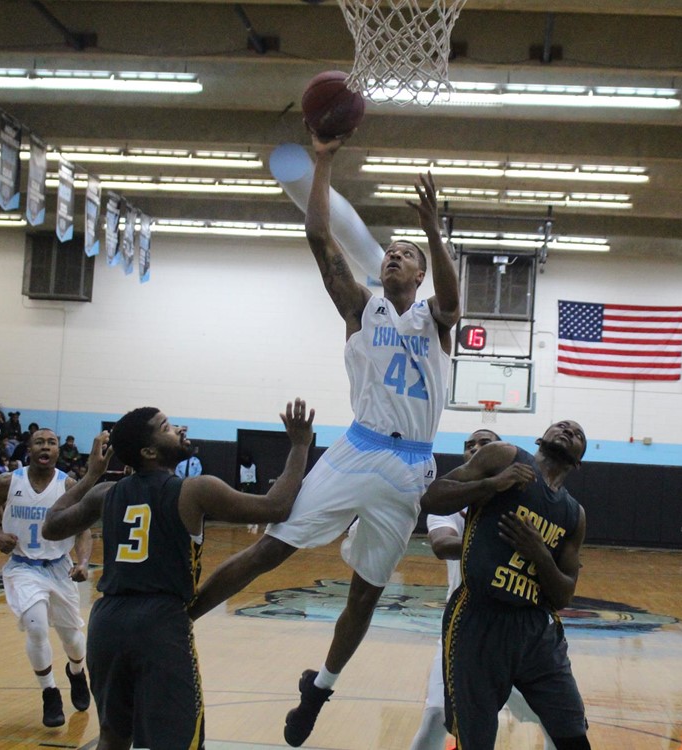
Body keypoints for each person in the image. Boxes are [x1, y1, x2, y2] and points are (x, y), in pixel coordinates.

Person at [189, 132, 460, 747]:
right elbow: (319, 240)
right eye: (390, 251)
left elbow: (451, 298)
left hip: (411, 466)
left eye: (406, 253)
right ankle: (181, 619)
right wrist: (324, 161)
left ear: (418, 272)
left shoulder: (434, 323)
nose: (395, 256)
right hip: (358, 449)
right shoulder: (361, 309)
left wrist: (434, 232)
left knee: (364, 596)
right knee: (271, 550)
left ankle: (321, 689)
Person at [41, 400, 315, 750]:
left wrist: (92, 474)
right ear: (149, 451)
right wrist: (300, 445)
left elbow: (52, 525)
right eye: (167, 427)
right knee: (178, 742)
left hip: (106, 622)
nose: (180, 429)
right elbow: (276, 506)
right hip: (159, 623)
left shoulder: (105, 493)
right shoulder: (195, 489)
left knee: (113, 736)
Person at [420, 419, 590, 750]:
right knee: (474, 739)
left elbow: (563, 595)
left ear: (579, 459)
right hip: (478, 619)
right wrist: (495, 484)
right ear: (542, 437)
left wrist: (539, 553)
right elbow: (432, 498)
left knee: (572, 735)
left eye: (578, 434)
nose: (570, 431)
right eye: (562, 425)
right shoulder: (505, 456)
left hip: (535, 629)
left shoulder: (574, 514)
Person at [0, 428, 93, 728]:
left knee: (73, 640)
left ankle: (77, 673)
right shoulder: (8, 481)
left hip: (59, 567)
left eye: (51, 442)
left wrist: (83, 562)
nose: (46, 446)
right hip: (22, 566)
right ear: (28, 449)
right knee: (37, 627)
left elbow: (83, 528)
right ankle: (50, 693)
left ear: (58, 450)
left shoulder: (68, 484)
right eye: (39, 442)